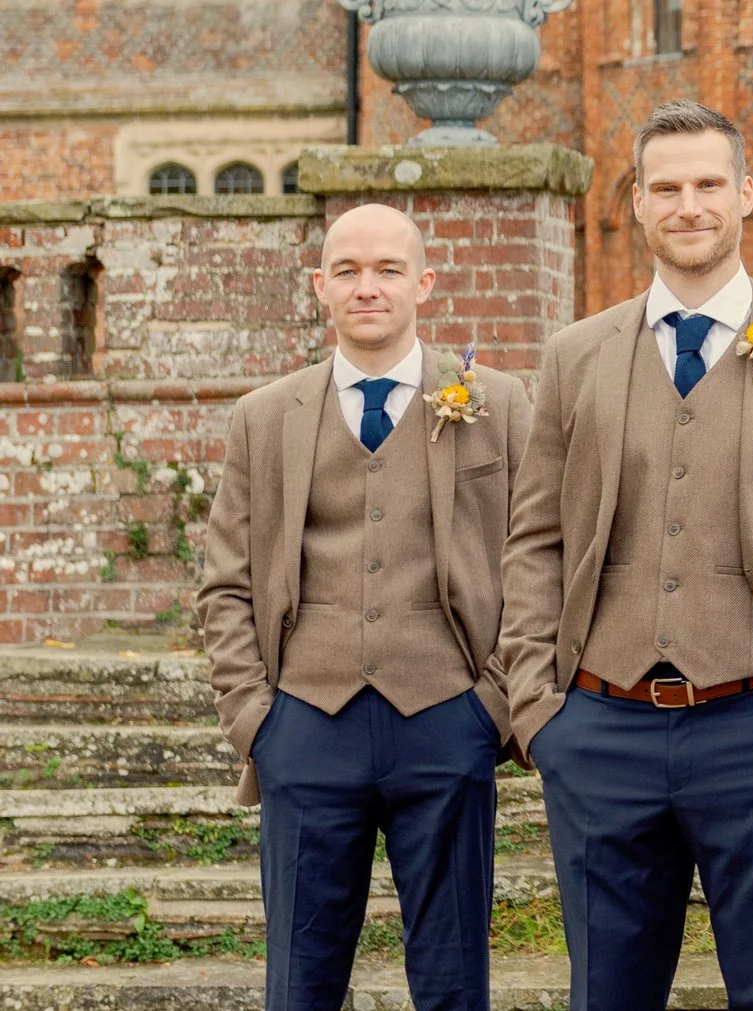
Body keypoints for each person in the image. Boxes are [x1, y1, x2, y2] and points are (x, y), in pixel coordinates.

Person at [498, 99, 753, 1011]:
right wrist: (539, 710)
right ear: (636, 201)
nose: (689, 204)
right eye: (665, 187)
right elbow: (535, 540)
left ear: (746, 193)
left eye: (709, 183)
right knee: (608, 995)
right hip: (599, 727)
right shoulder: (576, 356)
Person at [198, 203, 530, 1011]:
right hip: (305, 725)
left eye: (387, 269)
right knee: (300, 984)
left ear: (424, 280)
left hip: (449, 720)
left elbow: (536, 566)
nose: (367, 286)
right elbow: (225, 581)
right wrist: (255, 718)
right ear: (320, 287)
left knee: (454, 982)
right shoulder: (265, 415)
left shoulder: (500, 401)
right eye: (346, 270)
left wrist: (492, 704)